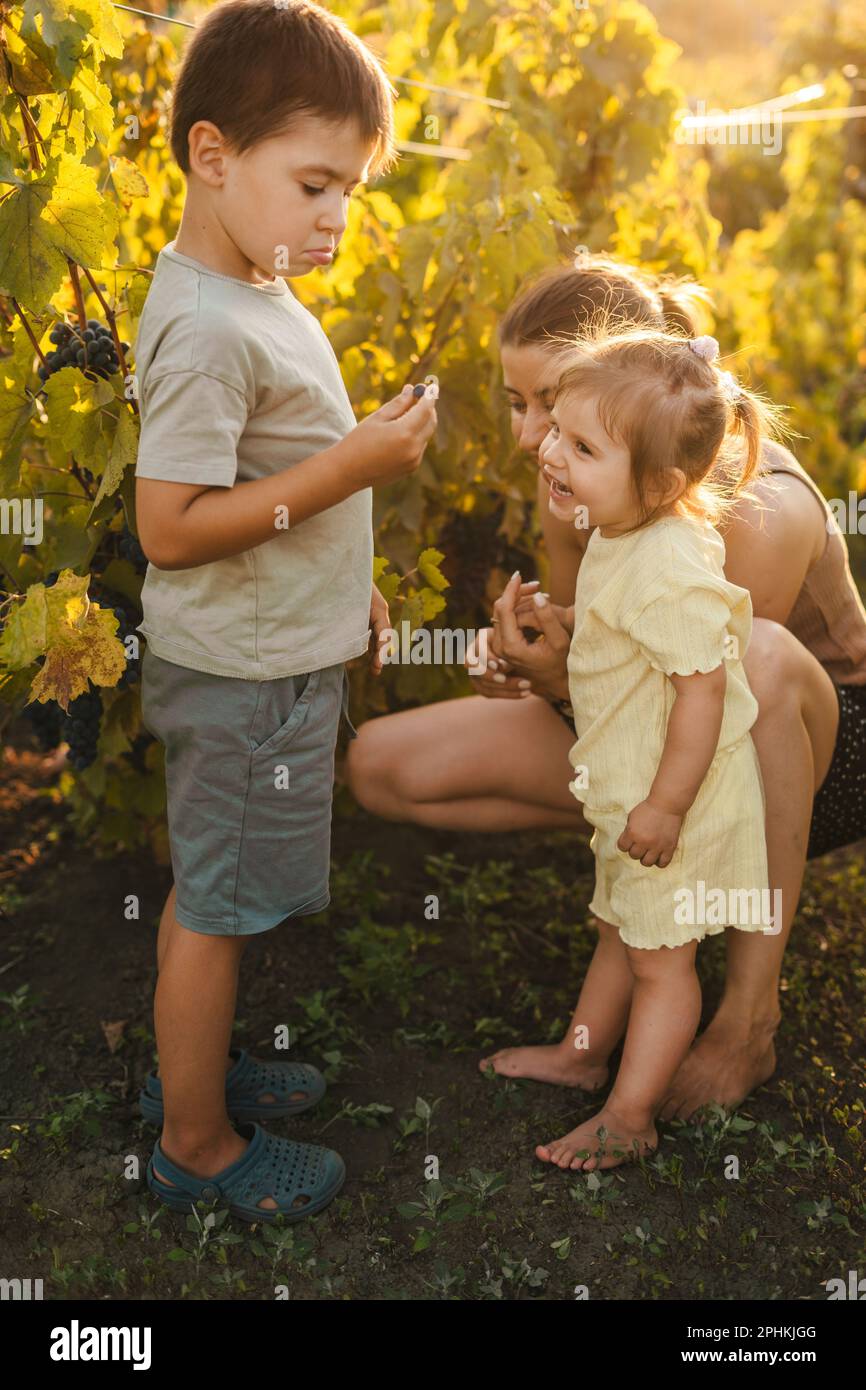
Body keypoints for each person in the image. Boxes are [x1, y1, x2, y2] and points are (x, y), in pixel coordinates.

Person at [346, 257, 866, 1120]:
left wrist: (566, 683)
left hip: (812, 752)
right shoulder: (582, 464)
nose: (529, 437)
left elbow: (707, 706)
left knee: (761, 657)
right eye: (518, 404)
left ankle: (747, 1019)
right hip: (655, 725)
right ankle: (634, 876)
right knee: (379, 767)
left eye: (548, 401)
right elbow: (601, 641)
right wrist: (528, 657)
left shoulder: (759, 509)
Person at [132, 0, 437, 1223]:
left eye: (351, 191)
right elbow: (173, 525)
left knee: (211, 888)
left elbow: (267, 490)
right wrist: (353, 471)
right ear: (214, 156)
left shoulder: (249, 290)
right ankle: (197, 1142)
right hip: (242, 681)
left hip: (263, 653)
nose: (334, 216)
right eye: (315, 182)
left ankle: (185, 1073)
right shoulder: (207, 331)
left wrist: (335, 571)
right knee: (214, 908)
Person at [498, 324, 780, 1168]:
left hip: (674, 806)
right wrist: (571, 624)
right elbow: (633, 635)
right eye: (557, 430)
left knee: (662, 963)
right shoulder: (626, 533)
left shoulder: (668, 564)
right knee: (623, 933)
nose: (552, 452)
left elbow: (702, 689)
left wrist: (664, 807)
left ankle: (631, 1115)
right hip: (634, 793)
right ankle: (584, 1056)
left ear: (658, 484)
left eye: (582, 446)